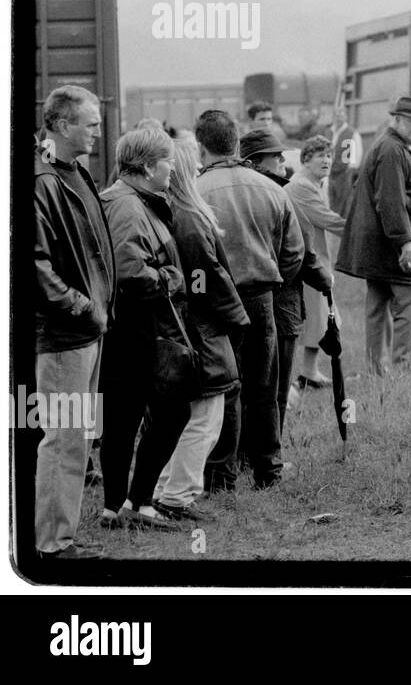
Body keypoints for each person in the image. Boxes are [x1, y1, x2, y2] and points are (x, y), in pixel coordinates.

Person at [196, 110, 304, 491]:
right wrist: (274, 282)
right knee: (264, 386)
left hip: (215, 301)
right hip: (262, 298)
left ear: (201, 145)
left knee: (224, 386)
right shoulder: (273, 189)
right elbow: (294, 252)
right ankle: (268, 468)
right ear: (236, 141)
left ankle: (222, 475)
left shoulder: (196, 192)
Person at [34, 85, 116, 558]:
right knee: (64, 442)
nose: (98, 132)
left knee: (77, 438)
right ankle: (51, 544)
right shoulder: (43, 181)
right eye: (90, 124)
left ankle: (58, 535)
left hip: (86, 332)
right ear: (62, 125)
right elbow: (33, 267)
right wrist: (83, 306)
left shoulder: (72, 171)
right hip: (67, 334)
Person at [98, 128, 189, 531]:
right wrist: (170, 277)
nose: (172, 168)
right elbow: (131, 273)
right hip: (134, 329)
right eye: (167, 161)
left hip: (131, 328)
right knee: (163, 412)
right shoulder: (128, 207)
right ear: (149, 166)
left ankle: (118, 505)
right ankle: (134, 503)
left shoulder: (129, 200)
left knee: (125, 418)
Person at [152, 138, 246, 522]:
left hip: (187, 325)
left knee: (187, 416)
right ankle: (178, 496)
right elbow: (203, 277)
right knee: (205, 417)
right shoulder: (190, 219)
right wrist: (232, 315)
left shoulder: (171, 212)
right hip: (200, 330)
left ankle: (164, 489)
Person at [241, 128, 333, 430]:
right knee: (274, 385)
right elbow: (300, 252)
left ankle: (89, 458)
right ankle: (268, 460)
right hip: (279, 303)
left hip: (245, 304)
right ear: (255, 162)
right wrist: (317, 278)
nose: (283, 160)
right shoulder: (280, 194)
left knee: (250, 383)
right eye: (276, 156)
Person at [336, 96, 411, 376]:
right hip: (390, 243)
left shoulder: (390, 146)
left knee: (378, 303)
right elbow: (391, 201)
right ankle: (409, 369)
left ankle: (378, 371)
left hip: (377, 243)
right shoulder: (391, 150)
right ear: (396, 120)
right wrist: (405, 241)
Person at [286, 135, 348, 389]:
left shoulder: (315, 183)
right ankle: (296, 377)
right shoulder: (301, 185)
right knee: (315, 318)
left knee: (319, 317)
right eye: (320, 155)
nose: (326, 160)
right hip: (304, 263)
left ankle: (308, 372)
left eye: (329, 155)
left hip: (314, 259)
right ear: (305, 159)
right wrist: (363, 233)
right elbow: (328, 220)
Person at [328, 110, 363, 227]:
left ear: (346, 117)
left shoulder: (351, 133)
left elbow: (357, 152)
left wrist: (352, 167)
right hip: (330, 172)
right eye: (336, 115)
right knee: (330, 199)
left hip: (344, 172)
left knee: (344, 200)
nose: (339, 118)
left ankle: (343, 224)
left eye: (341, 115)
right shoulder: (329, 131)